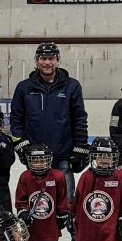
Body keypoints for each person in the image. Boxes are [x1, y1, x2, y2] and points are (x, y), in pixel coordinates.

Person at [10, 42, 89, 202]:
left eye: (51, 58)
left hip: (63, 155)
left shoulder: (72, 86)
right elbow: (16, 121)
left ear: (57, 60)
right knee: (38, 202)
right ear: (36, 60)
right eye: (43, 58)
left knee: (66, 202)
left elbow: (79, 119)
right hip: (35, 157)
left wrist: (80, 147)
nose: (47, 62)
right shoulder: (23, 88)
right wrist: (22, 146)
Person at [15, 143, 70, 241]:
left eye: (42, 160)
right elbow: (21, 199)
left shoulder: (57, 176)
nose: (39, 164)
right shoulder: (25, 177)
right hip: (32, 221)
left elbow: (62, 197)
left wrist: (62, 213)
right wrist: (23, 212)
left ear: (49, 160)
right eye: (35, 161)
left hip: (50, 221)